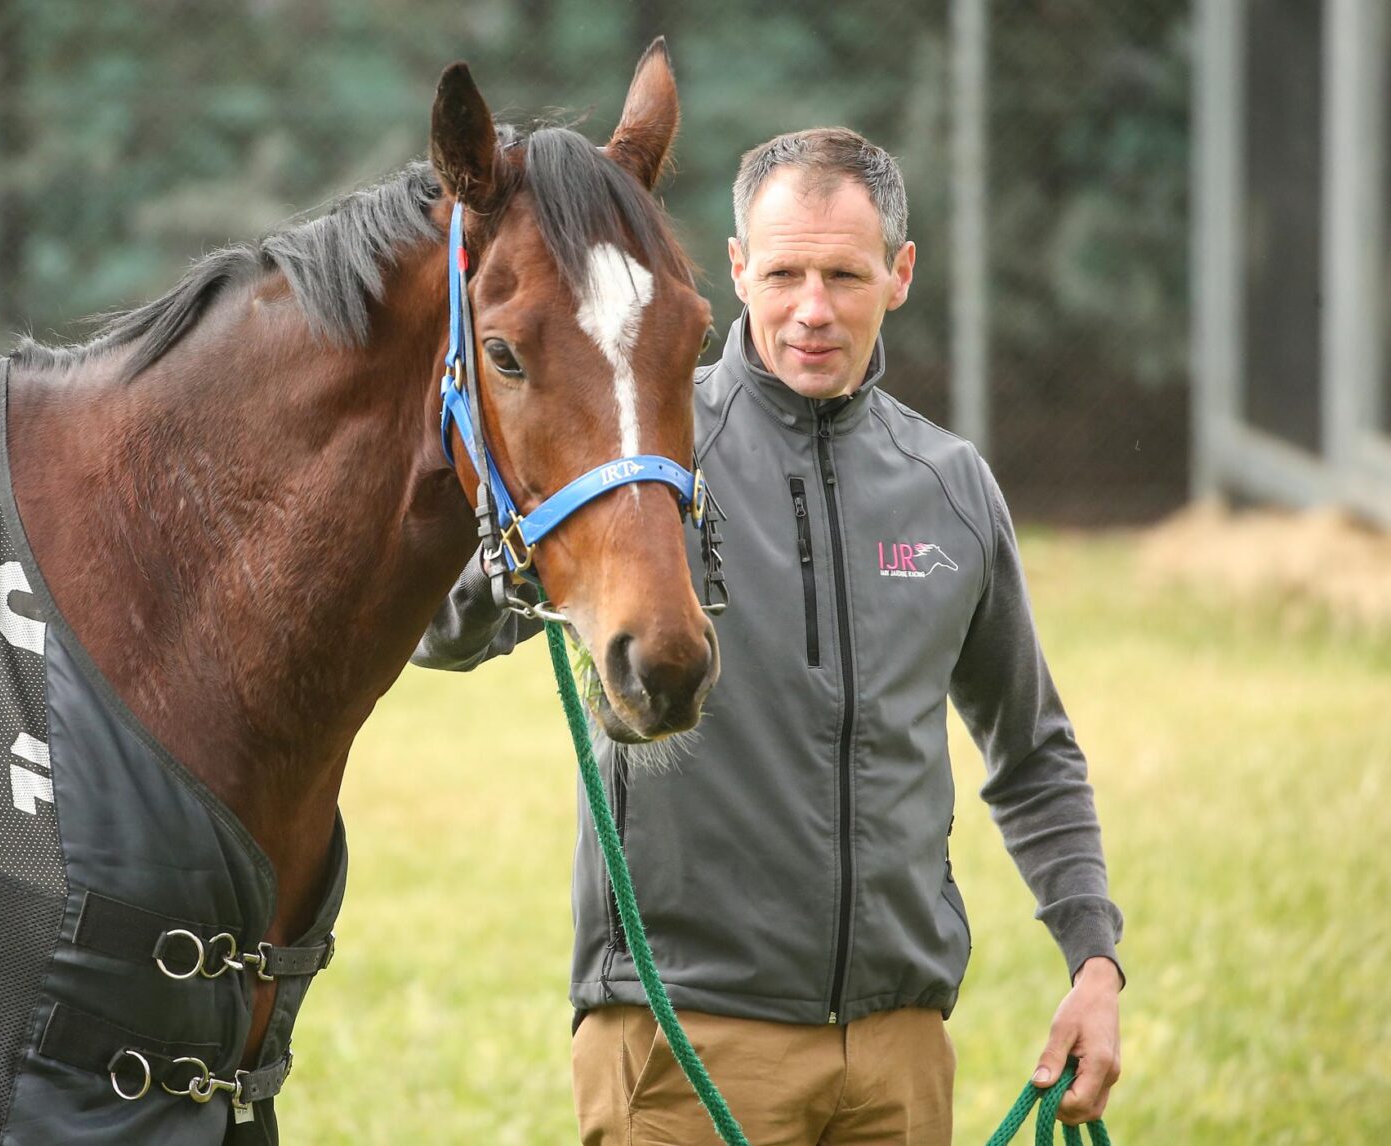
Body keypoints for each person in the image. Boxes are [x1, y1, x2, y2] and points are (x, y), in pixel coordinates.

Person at [414, 127, 1123, 1145]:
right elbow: (440, 634)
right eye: (783, 271)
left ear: (900, 275)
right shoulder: (644, 451)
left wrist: (1092, 962)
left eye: (844, 273)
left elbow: (1033, 754)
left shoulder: (951, 487)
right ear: (738, 269)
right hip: (682, 1049)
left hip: (898, 1052)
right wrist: (525, 539)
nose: (812, 309)